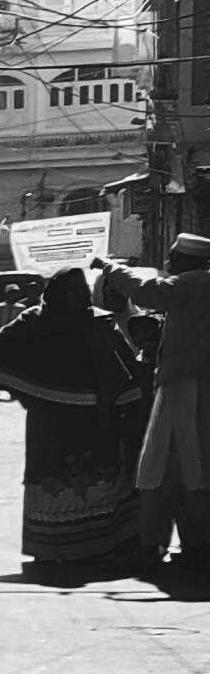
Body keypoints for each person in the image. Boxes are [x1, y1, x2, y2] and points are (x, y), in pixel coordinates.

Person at [0, 264, 146, 580]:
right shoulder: (34, 322)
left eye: (82, 290)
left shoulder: (98, 321)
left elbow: (123, 363)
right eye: (72, 291)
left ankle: (97, 544)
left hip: (97, 418)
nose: (79, 297)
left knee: (98, 476)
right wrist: (32, 389)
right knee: (53, 475)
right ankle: (51, 548)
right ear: (56, 294)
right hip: (51, 422)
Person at [135, 229, 210, 583]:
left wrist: (108, 267)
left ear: (183, 260)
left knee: (168, 467)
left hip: (185, 388)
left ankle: (163, 546)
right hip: (192, 386)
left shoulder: (190, 283)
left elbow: (148, 291)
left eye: (172, 258)